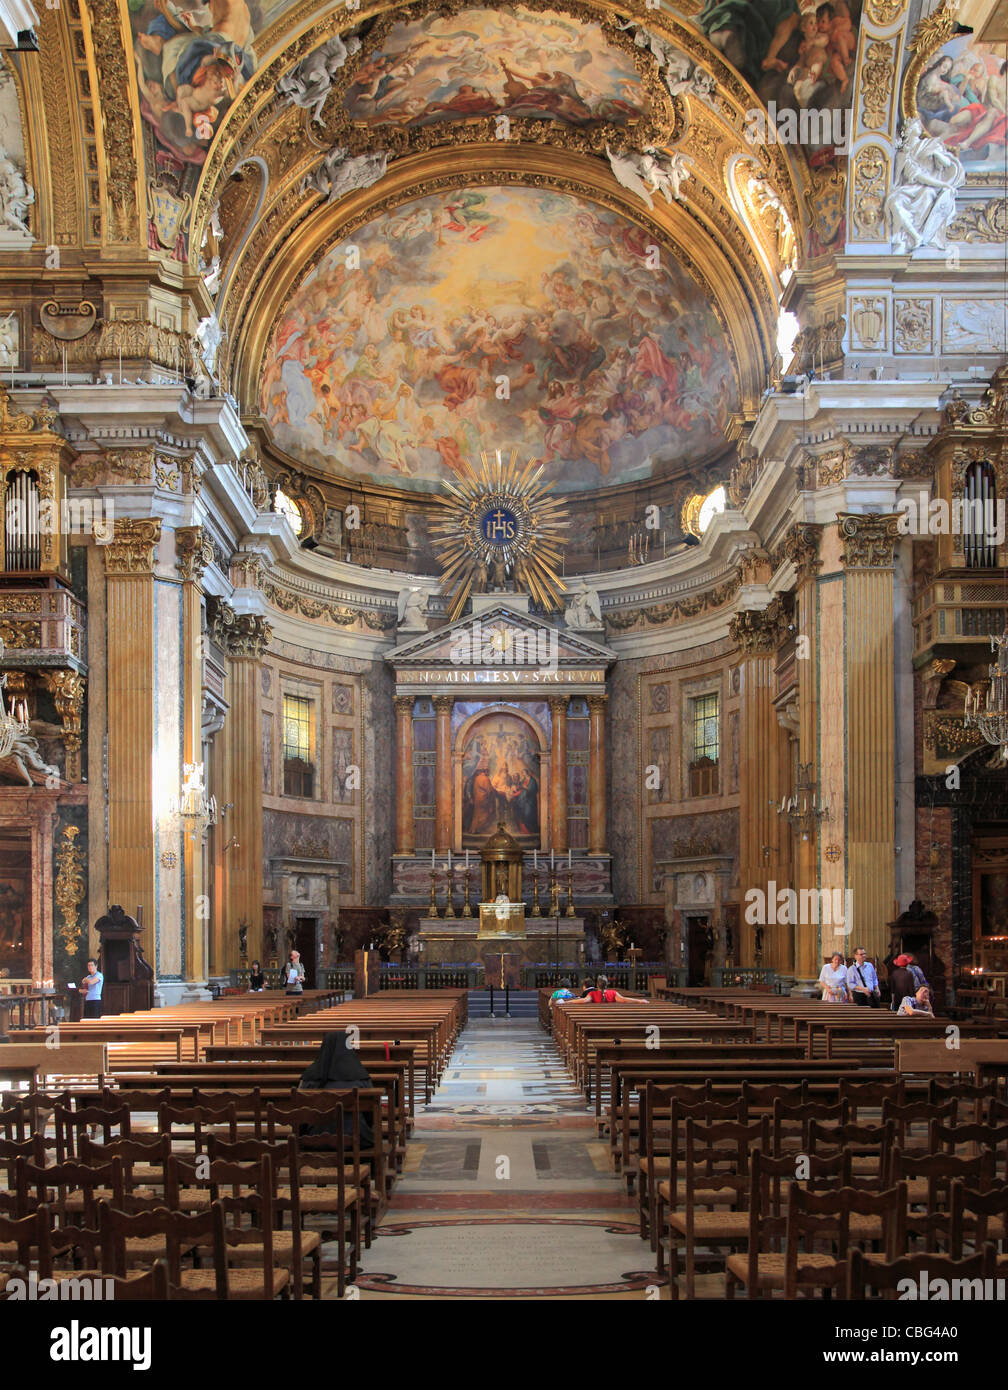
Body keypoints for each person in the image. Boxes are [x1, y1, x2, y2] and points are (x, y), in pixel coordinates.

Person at [297, 1032, 374, 1147]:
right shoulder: (360, 1078)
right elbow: (370, 1115)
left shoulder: (309, 1079)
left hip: (314, 1139)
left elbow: (301, 1115)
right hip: (355, 1140)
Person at [571, 973, 641, 1003]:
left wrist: (567, 1002)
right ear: (607, 984)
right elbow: (624, 1000)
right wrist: (640, 1001)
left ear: (597, 985)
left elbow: (583, 1001)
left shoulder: (592, 994)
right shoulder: (613, 993)